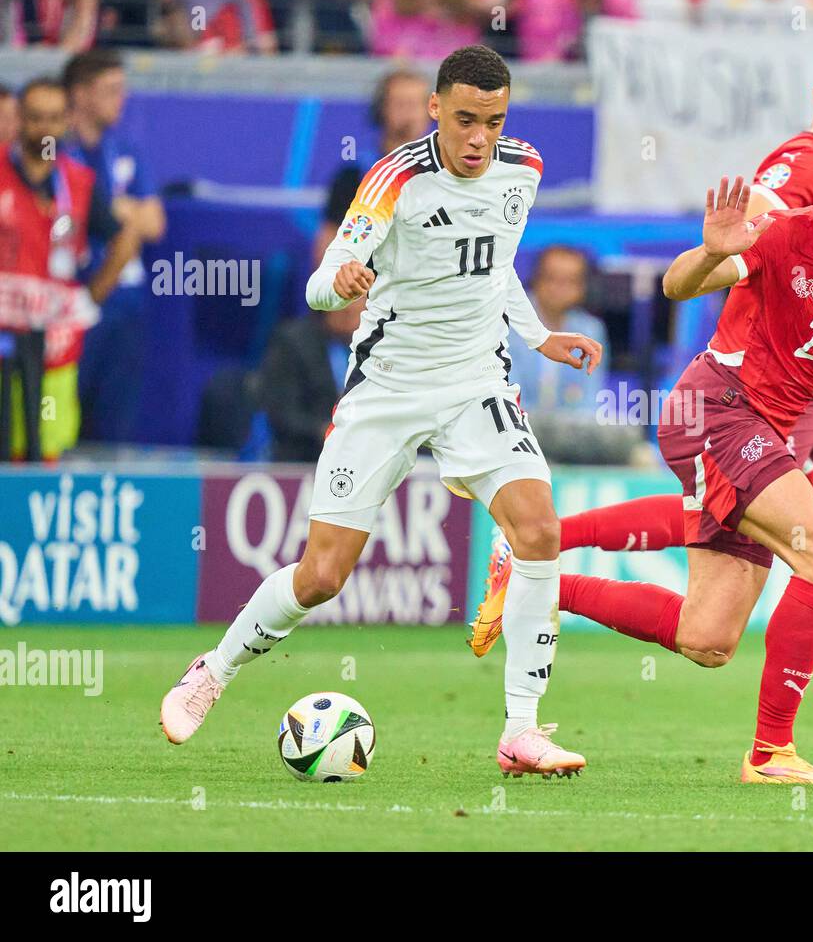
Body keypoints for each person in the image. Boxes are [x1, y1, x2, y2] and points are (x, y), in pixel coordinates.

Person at [473, 39, 813, 771]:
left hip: (802, 402)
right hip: (727, 405)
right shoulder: (797, 177)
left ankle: (542, 583)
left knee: (712, 635)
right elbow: (696, 272)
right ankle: (775, 750)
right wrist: (713, 252)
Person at [159, 46, 606, 779]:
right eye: (464, 119)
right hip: (388, 389)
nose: (477, 139)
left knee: (539, 530)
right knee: (322, 575)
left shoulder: (523, 167)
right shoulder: (393, 179)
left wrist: (538, 336)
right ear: (435, 109)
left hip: (474, 383)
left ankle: (521, 731)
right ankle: (215, 668)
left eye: (492, 122)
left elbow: (493, 268)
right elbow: (317, 291)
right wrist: (343, 281)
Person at [0, 77, 139, 461]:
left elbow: (123, 238)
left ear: (67, 122)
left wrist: (91, 296)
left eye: (54, 119)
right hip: (4, 344)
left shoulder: (78, 183)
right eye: (36, 118)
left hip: (56, 351)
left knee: (47, 453)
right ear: (19, 121)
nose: (45, 129)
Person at [62, 47, 167, 444]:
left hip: (125, 305)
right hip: (72, 299)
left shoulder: (126, 152)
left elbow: (154, 224)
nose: (120, 99)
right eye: (111, 90)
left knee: (114, 427)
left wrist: (107, 206)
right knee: (59, 417)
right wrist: (124, 208)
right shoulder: (58, 153)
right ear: (80, 94)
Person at [505, 245, 638, 464]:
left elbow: (589, 400)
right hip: (515, 433)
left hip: (569, 436)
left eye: (569, 281)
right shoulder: (509, 323)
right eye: (552, 279)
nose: (559, 288)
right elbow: (510, 398)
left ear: (582, 288)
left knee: (640, 454)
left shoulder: (591, 330)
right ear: (535, 280)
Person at [316, 69, 433, 265]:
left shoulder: (447, 174)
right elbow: (329, 245)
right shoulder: (354, 176)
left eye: (416, 105)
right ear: (381, 110)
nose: (409, 113)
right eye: (401, 104)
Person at [259, 295, 367, 462]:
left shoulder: (376, 346)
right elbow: (283, 415)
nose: (350, 309)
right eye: (346, 300)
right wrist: (326, 431)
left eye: (359, 299)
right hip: (305, 458)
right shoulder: (292, 342)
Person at [514, 0, 638, 62]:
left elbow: (636, 54)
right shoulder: (544, 1)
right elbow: (541, 63)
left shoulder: (620, 4)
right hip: (557, 89)